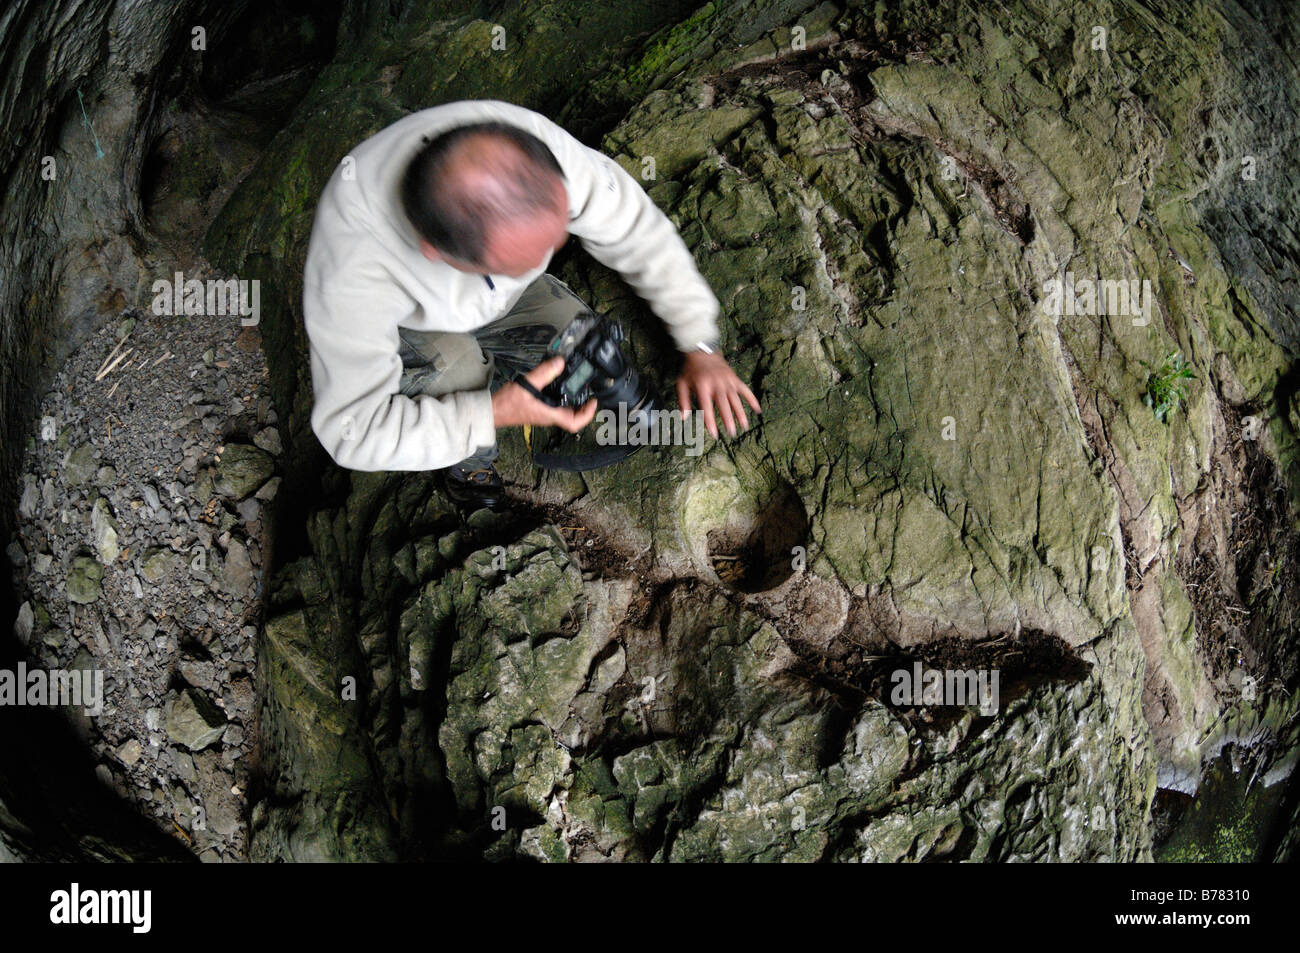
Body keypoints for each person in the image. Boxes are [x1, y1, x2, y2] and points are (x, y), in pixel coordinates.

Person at [302, 99, 760, 510]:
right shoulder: (352, 266)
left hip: (499, 296)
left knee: (581, 344)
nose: (552, 250)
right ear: (435, 252)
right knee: (460, 375)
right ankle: (468, 458)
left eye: (555, 240)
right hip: (410, 322)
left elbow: (635, 230)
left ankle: (513, 358)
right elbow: (352, 431)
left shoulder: (533, 149)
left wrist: (699, 342)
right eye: (520, 259)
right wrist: (490, 414)